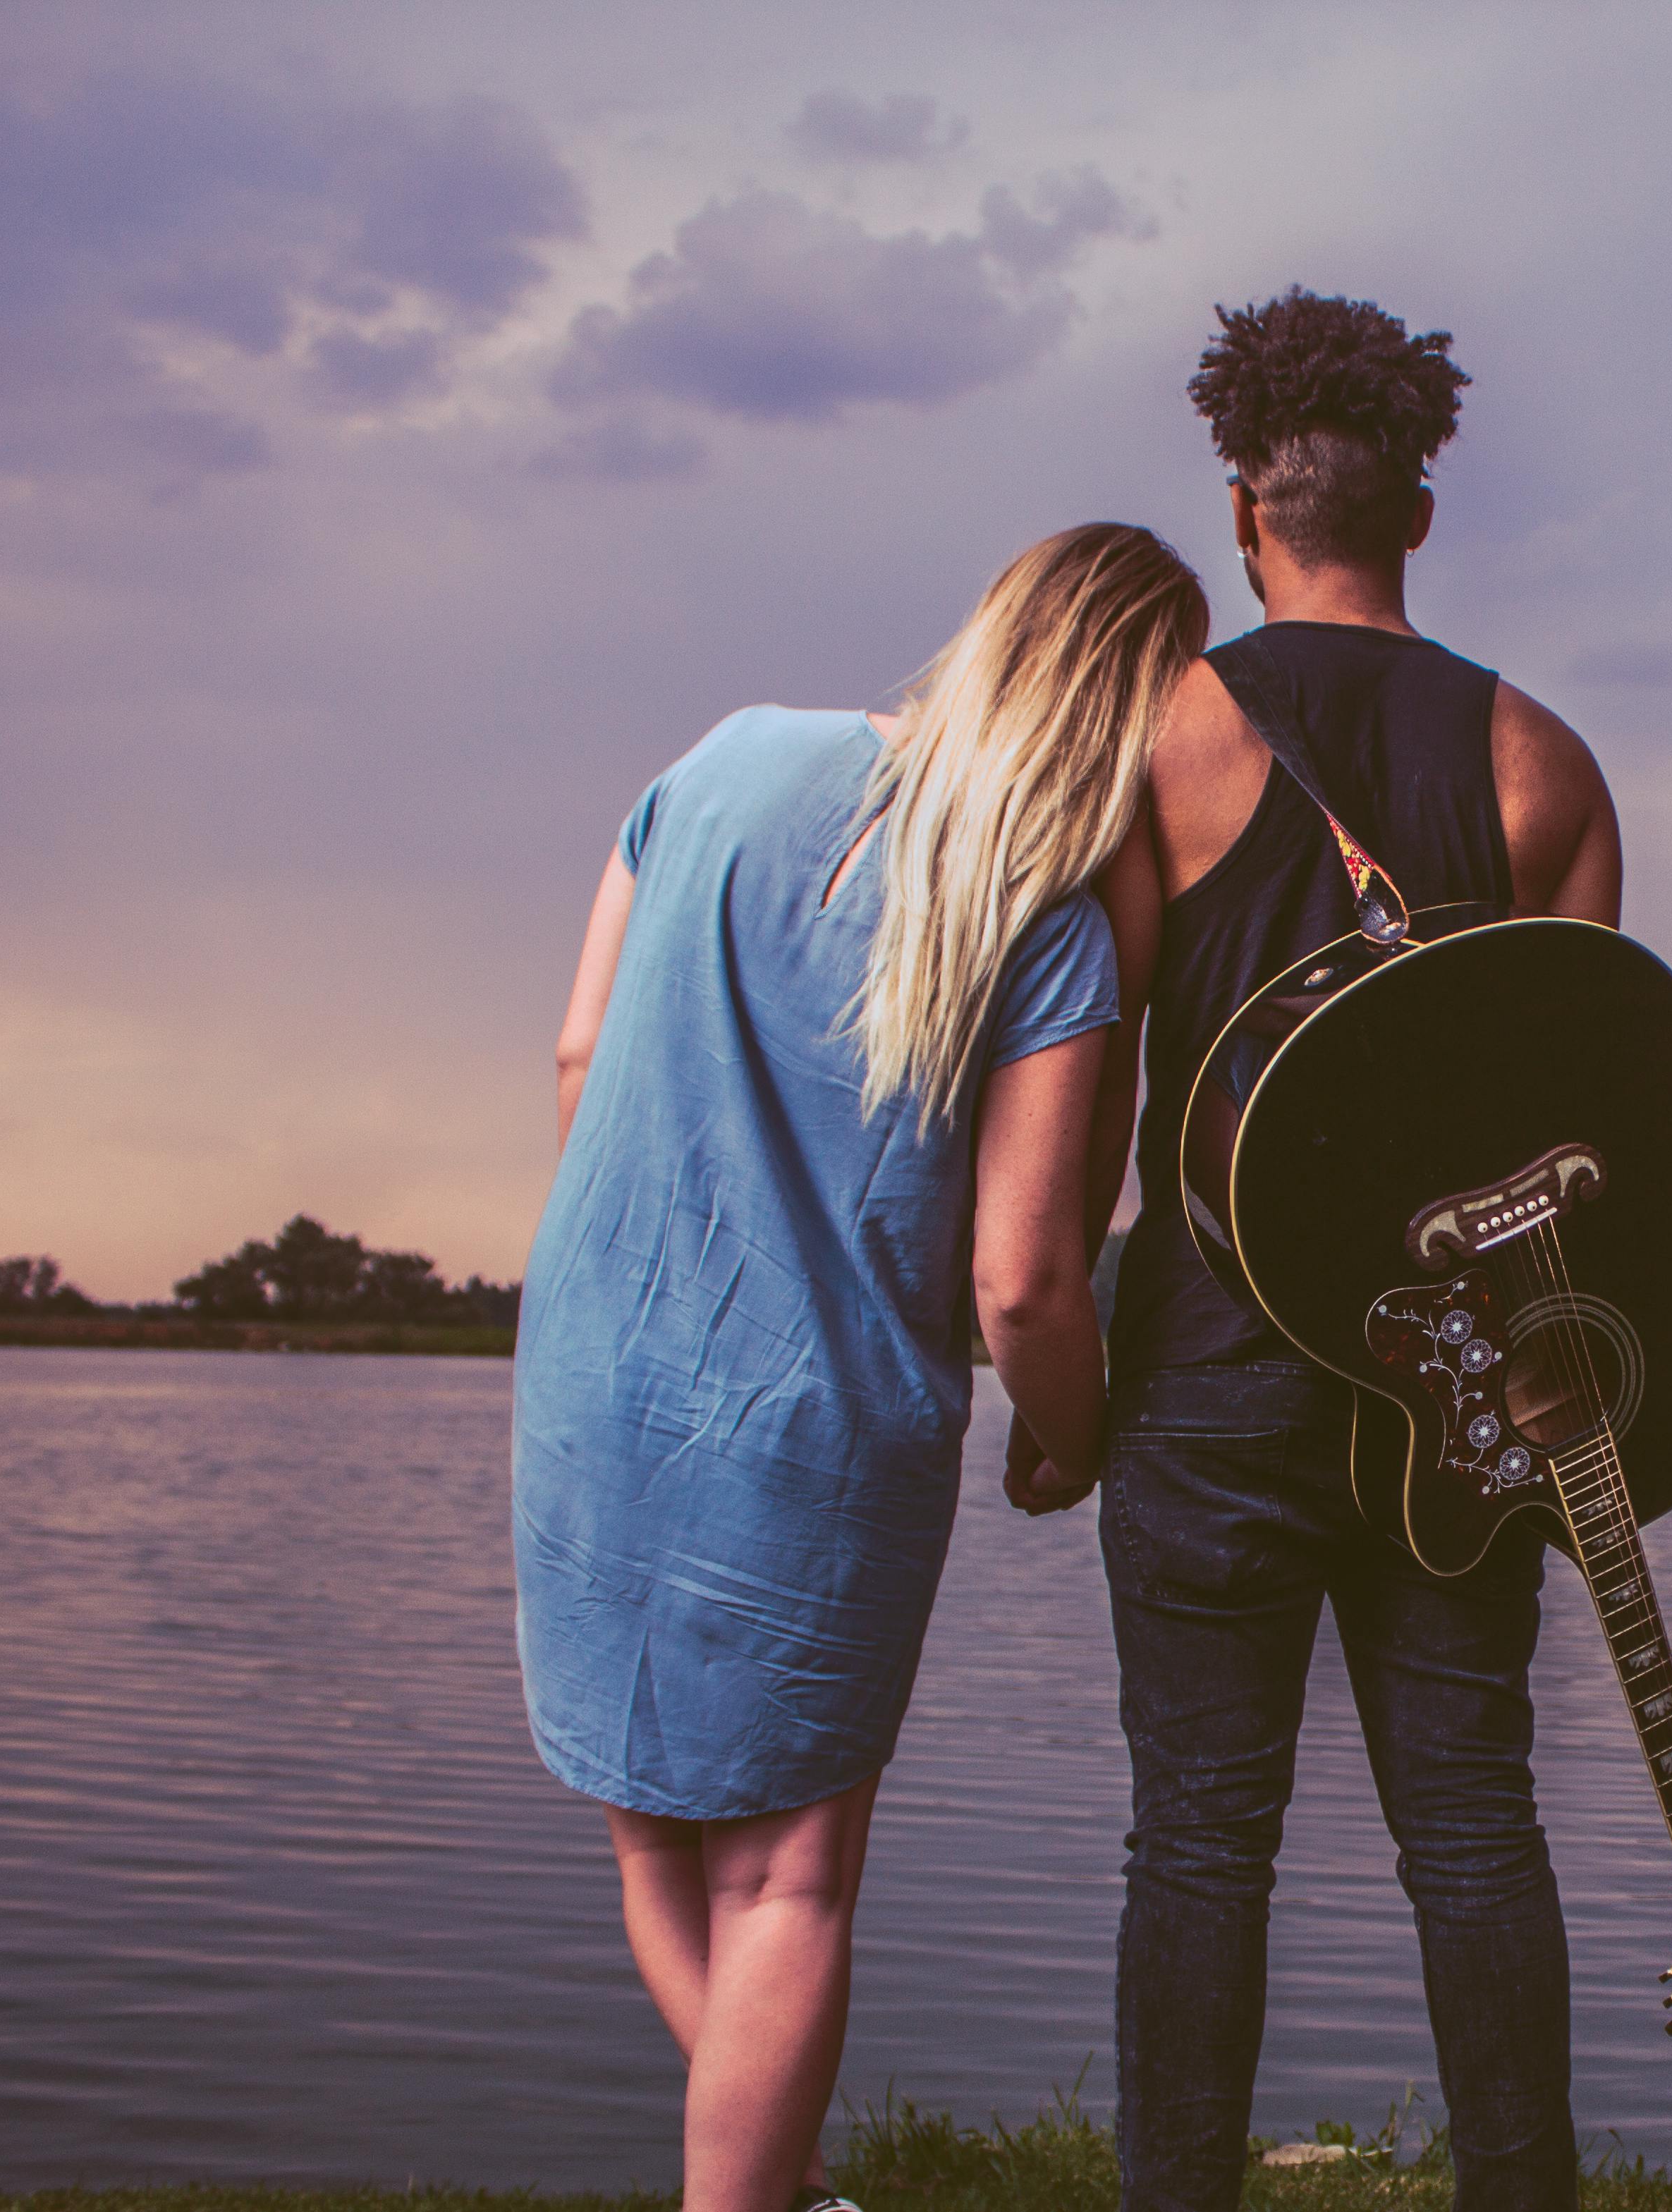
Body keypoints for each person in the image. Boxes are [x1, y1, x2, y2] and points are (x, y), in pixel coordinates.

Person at [514, 523, 1207, 2212]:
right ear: (1130, 707)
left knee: (648, 1836)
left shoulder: (726, 756)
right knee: (789, 1886)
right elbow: (1026, 1278)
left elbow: (579, 1052)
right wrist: (1076, 1437)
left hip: (589, 1375)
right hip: (810, 1432)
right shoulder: (1041, 912)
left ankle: (789, 2185)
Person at [1080, 288, 1623, 2212]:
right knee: (1473, 1831)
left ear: (1247, 507)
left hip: (1212, 1367)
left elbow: (1083, 1082)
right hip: (1455, 1383)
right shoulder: (1542, 762)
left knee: (1198, 1846)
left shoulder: (1164, 739)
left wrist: (1059, 1349)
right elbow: (1584, 1151)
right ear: (1416, 513)